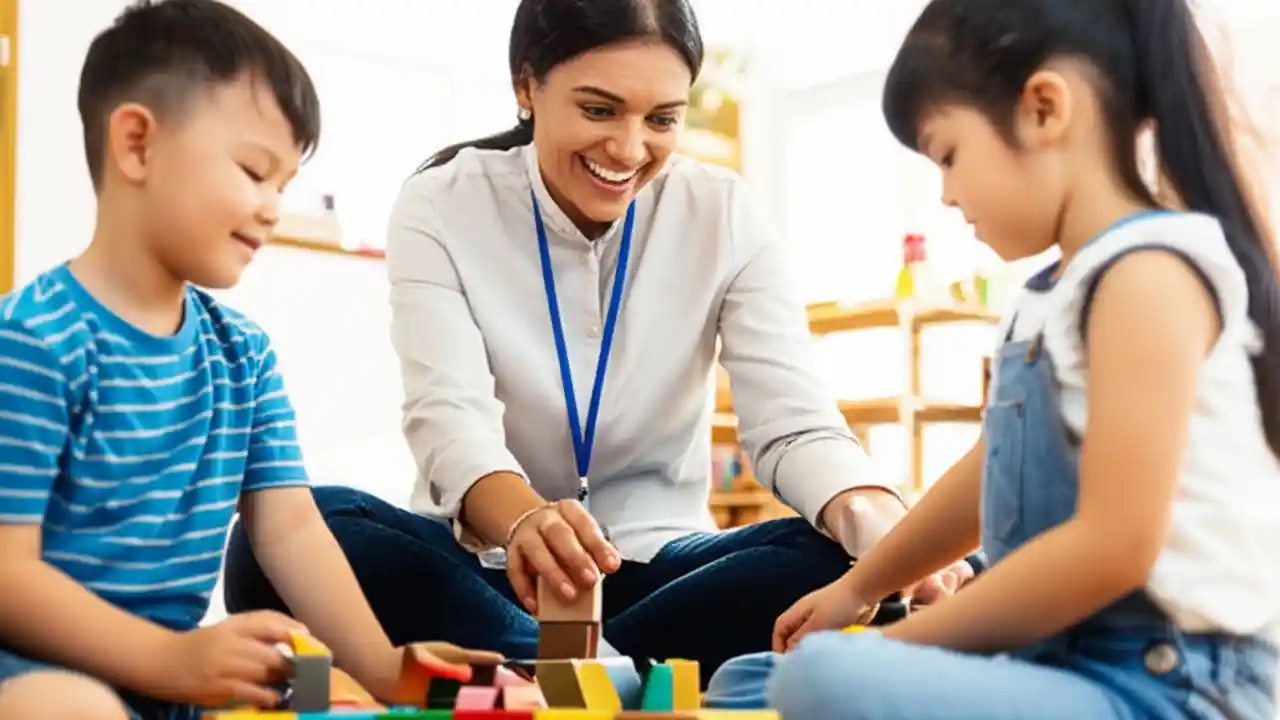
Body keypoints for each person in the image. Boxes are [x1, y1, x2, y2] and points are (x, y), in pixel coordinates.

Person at [223, 0, 974, 683]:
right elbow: (449, 421)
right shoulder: (442, 202)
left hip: (661, 564)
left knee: (855, 558)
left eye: (662, 119)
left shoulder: (724, 211)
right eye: (598, 108)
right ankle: (618, 671)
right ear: (527, 87)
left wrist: (883, 536)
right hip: (491, 564)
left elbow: (793, 425)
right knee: (283, 537)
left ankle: (549, 672)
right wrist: (526, 520)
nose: (628, 148)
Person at [704, 0, 1280, 717]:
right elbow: (990, 470)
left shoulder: (1148, 275)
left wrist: (904, 647)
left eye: (948, 154)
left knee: (822, 680)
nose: (945, 193)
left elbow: (1117, 545)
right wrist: (860, 589)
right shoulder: (1053, 294)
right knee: (746, 680)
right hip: (1064, 662)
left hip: (1168, 685)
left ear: (1043, 109)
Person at [0, 3, 501, 719]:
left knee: (334, 707)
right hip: (32, 672)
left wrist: (388, 670)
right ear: (138, 145)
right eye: (253, 171)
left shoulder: (243, 356)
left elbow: (290, 529)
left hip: (175, 677)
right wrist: (168, 660)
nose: (271, 208)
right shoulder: (33, 341)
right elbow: (6, 577)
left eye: (284, 186)